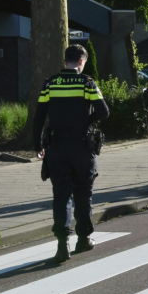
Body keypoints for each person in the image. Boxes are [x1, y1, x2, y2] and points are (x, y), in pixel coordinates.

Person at [33, 44, 109, 264]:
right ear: (82, 61)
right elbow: (104, 112)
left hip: (57, 147)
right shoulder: (87, 82)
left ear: (64, 61)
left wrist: (37, 145)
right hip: (82, 146)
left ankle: (62, 244)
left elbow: (39, 117)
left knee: (61, 195)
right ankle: (83, 239)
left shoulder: (50, 83)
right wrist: (86, 121)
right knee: (83, 194)